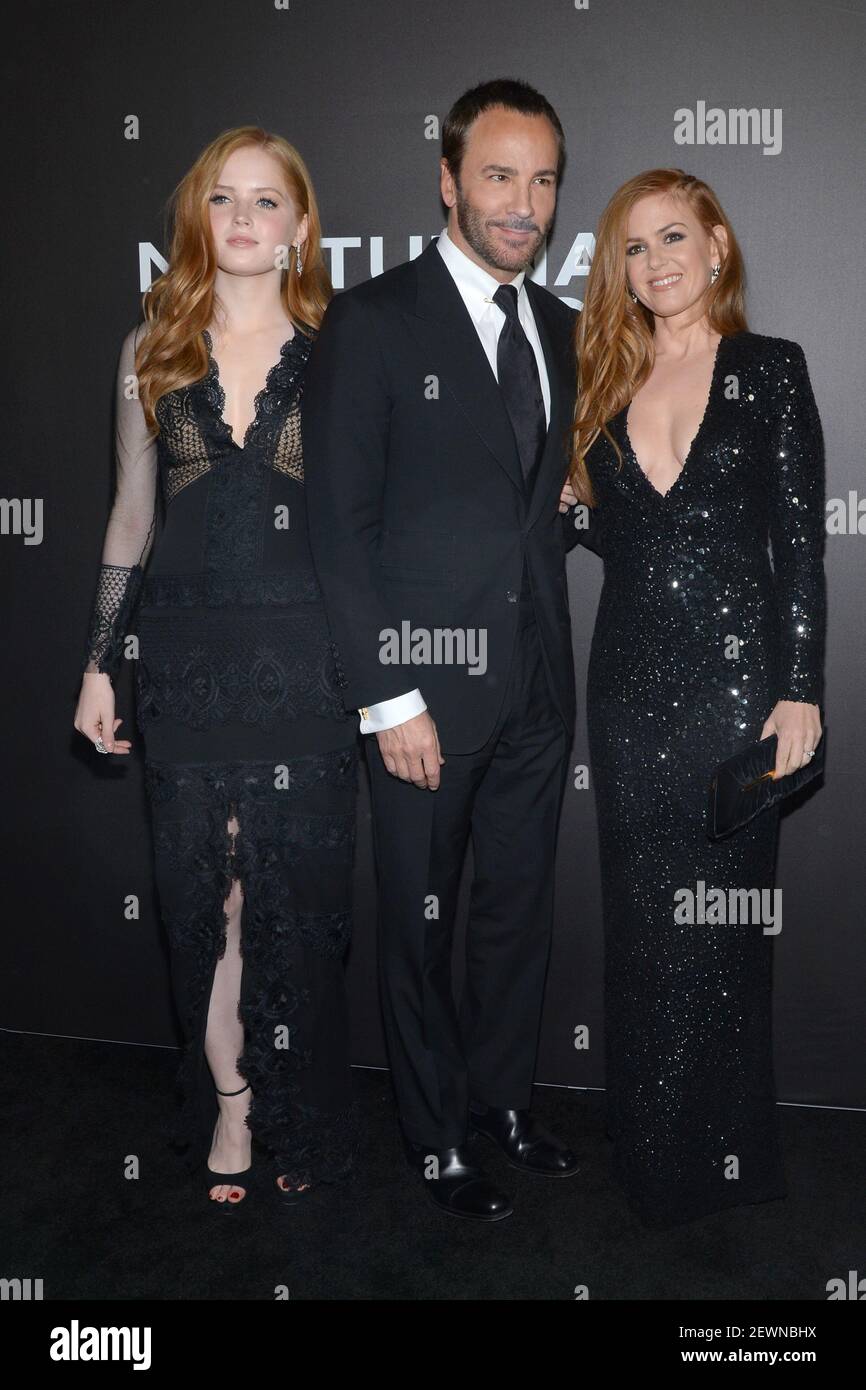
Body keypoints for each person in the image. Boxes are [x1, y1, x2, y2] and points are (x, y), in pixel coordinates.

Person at [302, 79, 583, 1222]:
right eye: (500, 175)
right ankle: (431, 1138)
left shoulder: (566, 329)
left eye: (544, 179)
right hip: (419, 691)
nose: (524, 203)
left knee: (517, 910)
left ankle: (500, 1102)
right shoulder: (372, 322)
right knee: (418, 924)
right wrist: (385, 694)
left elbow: (555, 497)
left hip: (534, 685)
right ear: (449, 180)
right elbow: (337, 529)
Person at [74, 127, 360, 1211]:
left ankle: (296, 1105)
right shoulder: (155, 342)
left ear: (297, 224)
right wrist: (103, 665)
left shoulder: (340, 347)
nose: (242, 218)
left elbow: (362, 523)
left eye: (266, 201)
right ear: (199, 218)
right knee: (212, 903)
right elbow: (131, 515)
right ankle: (235, 1101)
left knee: (298, 905)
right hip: (187, 663)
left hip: (304, 661)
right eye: (223, 199)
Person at [560, 167, 826, 1227]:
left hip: (737, 689)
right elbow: (580, 527)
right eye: (632, 247)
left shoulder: (768, 369)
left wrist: (798, 689)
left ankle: (724, 1155)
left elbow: (800, 546)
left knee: (718, 930)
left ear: (715, 248)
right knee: (639, 924)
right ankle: (651, 1151)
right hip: (626, 693)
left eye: (673, 237)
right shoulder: (599, 385)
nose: (654, 261)